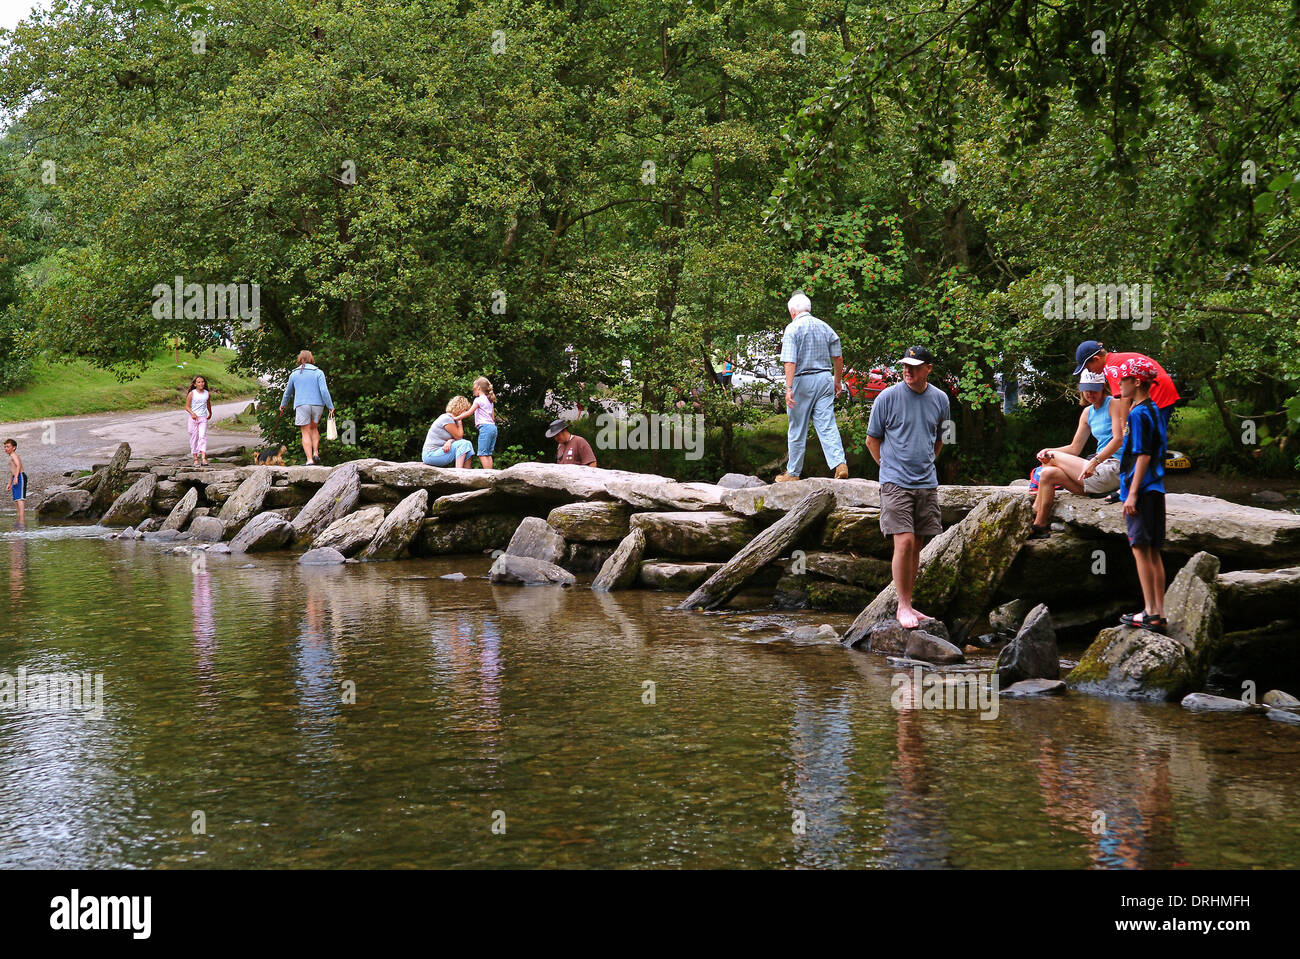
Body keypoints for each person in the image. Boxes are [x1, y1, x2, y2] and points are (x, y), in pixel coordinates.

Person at [865, 346, 951, 629]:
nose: (908, 370)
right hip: (894, 482)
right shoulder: (886, 397)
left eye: (914, 366)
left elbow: (944, 438)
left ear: (928, 368)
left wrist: (927, 462)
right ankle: (902, 606)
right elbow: (871, 440)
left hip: (926, 482)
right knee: (903, 542)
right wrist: (886, 468)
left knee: (917, 546)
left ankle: (909, 603)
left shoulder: (941, 399)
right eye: (905, 365)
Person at [1025, 370, 1124, 538]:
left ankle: (1035, 507)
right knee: (1048, 473)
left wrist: (1094, 462)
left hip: (1113, 468)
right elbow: (1074, 448)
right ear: (1081, 389)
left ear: (1103, 387)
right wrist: (1048, 450)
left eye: (1094, 389)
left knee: (1051, 457)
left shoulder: (1114, 404)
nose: (1090, 393)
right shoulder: (1088, 413)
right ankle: (1040, 524)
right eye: (1087, 389)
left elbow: (1119, 439)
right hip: (1093, 479)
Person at [1116, 357, 1168, 633]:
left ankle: (1149, 612)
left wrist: (1131, 493)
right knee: (1154, 552)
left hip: (1143, 490)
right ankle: (1158, 611)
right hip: (1156, 490)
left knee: (1140, 550)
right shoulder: (1154, 409)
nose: (1120, 384)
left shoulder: (1138, 414)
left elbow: (1143, 454)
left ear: (1136, 382)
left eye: (1124, 380)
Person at [775, 292, 849, 481]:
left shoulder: (792, 329)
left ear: (793, 312)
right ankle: (840, 464)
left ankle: (793, 473)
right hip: (825, 379)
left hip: (802, 381)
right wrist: (837, 381)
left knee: (797, 428)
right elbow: (838, 357)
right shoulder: (824, 326)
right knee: (827, 424)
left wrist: (789, 388)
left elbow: (790, 362)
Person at [1072, 339, 1180, 432]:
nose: (1090, 371)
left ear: (1096, 359)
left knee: (1149, 438)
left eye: (1088, 367)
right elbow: (1133, 393)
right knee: (1153, 435)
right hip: (1162, 388)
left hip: (1158, 392)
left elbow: (1124, 398)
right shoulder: (1114, 359)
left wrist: (1124, 427)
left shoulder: (1110, 368)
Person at [279, 350, 335, 465]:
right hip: (318, 405)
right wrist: (330, 406)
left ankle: (309, 460)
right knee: (314, 428)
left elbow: (287, 393)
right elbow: (324, 390)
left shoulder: (294, 374)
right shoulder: (318, 372)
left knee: (305, 431)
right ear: (311, 359)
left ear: (300, 359)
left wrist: (283, 405)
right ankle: (316, 453)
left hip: (302, 405)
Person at [452, 376, 498, 469]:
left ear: (478, 388)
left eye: (474, 388)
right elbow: (492, 418)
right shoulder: (490, 401)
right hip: (493, 428)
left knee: (482, 454)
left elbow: (469, 413)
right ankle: (492, 474)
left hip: (485, 428)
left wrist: (456, 418)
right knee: (488, 454)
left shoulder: (479, 400)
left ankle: (488, 475)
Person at [423, 397, 476, 468]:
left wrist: (450, 441)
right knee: (464, 443)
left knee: (468, 444)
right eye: (466, 410)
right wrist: (460, 421)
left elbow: (457, 439)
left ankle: (466, 474)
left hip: (440, 452)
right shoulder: (447, 418)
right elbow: (459, 437)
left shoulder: (453, 420)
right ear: (461, 409)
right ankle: (459, 472)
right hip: (430, 455)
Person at [185, 375, 213, 467]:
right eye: (199, 382)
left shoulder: (207, 393)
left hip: (203, 418)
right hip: (193, 418)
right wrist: (192, 413)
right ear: (195, 384)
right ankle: (195, 458)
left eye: (203, 382)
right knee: (194, 437)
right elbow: (187, 407)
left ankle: (203, 458)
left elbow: (208, 404)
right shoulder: (192, 394)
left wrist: (210, 413)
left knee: (202, 436)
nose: (201, 383)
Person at [4, 439, 26, 529]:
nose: (6, 448)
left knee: (20, 499)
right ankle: (19, 520)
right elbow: (12, 471)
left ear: (14, 447)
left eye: (8, 446)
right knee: (16, 499)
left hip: (20, 476)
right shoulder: (11, 456)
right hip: (15, 477)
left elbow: (18, 465)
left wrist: (16, 477)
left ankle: (22, 521)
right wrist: (10, 482)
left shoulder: (14, 455)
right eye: (5, 447)